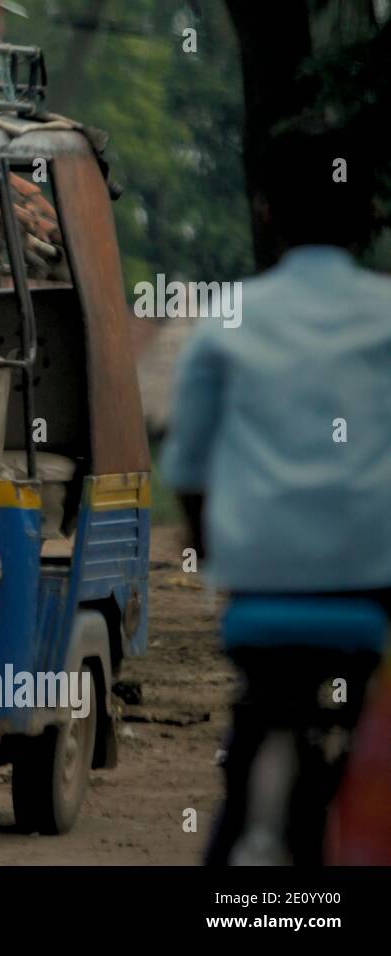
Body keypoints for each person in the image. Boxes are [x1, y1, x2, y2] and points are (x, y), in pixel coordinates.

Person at [161, 127, 390, 866]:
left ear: (266, 214)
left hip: (261, 592)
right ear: (369, 220)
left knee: (260, 727)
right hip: (372, 591)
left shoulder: (226, 323)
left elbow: (188, 468)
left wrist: (221, 561)